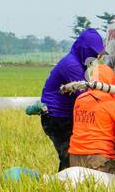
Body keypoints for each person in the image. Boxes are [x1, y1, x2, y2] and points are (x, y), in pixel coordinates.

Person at [39, 29, 104, 171]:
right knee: (69, 155)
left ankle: (65, 183)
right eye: (92, 53)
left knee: (72, 155)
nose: (95, 57)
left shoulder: (78, 63)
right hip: (57, 118)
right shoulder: (72, 65)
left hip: (64, 116)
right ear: (83, 49)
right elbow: (86, 96)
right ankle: (62, 185)